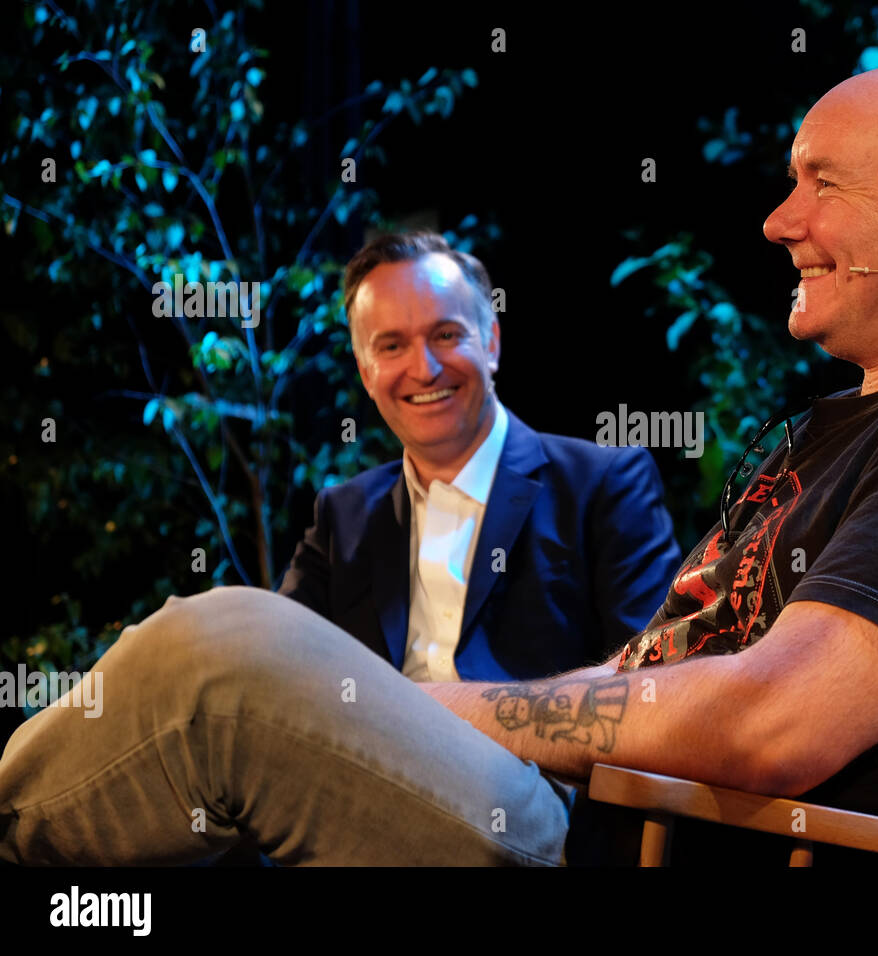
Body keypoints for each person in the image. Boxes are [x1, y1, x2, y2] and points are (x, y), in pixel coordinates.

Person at [0, 58, 878, 867]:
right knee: (199, 687)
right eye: (792, 181)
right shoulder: (835, 425)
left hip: (619, 834)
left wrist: (435, 708)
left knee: (219, 650)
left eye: (822, 184)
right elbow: (656, 666)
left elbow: (767, 723)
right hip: (585, 807)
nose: (779, 220)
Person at [276, 231, 681, 682]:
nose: (425, 369)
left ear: (491, 343)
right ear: (365, 371)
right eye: (391, 346)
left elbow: (654, 678)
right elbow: (276, 667)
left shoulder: (603, 485)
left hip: (530, 751)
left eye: (446, 335)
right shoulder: (341, 516)